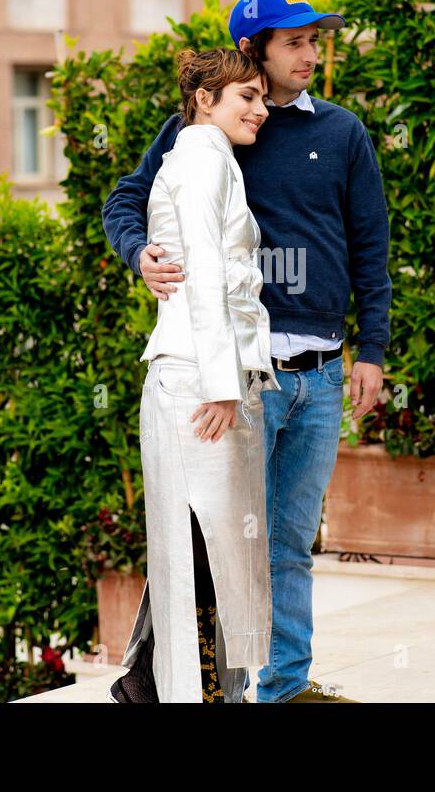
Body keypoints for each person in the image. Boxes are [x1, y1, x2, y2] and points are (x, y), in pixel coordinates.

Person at [103, 0, 392, 702]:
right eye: (293, 41)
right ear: (251, 51)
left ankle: (284, 686)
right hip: (244, 378)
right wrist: (140, 252)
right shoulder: (211, 131)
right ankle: (188, 684)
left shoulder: (343, 131)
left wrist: (374, 350)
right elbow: (128, 199)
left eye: (314, 40)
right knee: (220, 543)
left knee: (289, 545)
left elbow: (371, 247)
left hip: (321, 374)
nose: (309, 54)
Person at [110, 48, 280, 703]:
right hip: (196, 383)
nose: (260, 110)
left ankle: (162, 689)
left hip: (204, 377)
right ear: (205, 100)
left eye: (263, 99)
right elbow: (205, 275)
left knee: (210, 553)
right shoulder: (203, 158)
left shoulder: (209, 158)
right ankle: (183, 692)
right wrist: (222, 387)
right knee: (204, 551)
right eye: (247, 98)